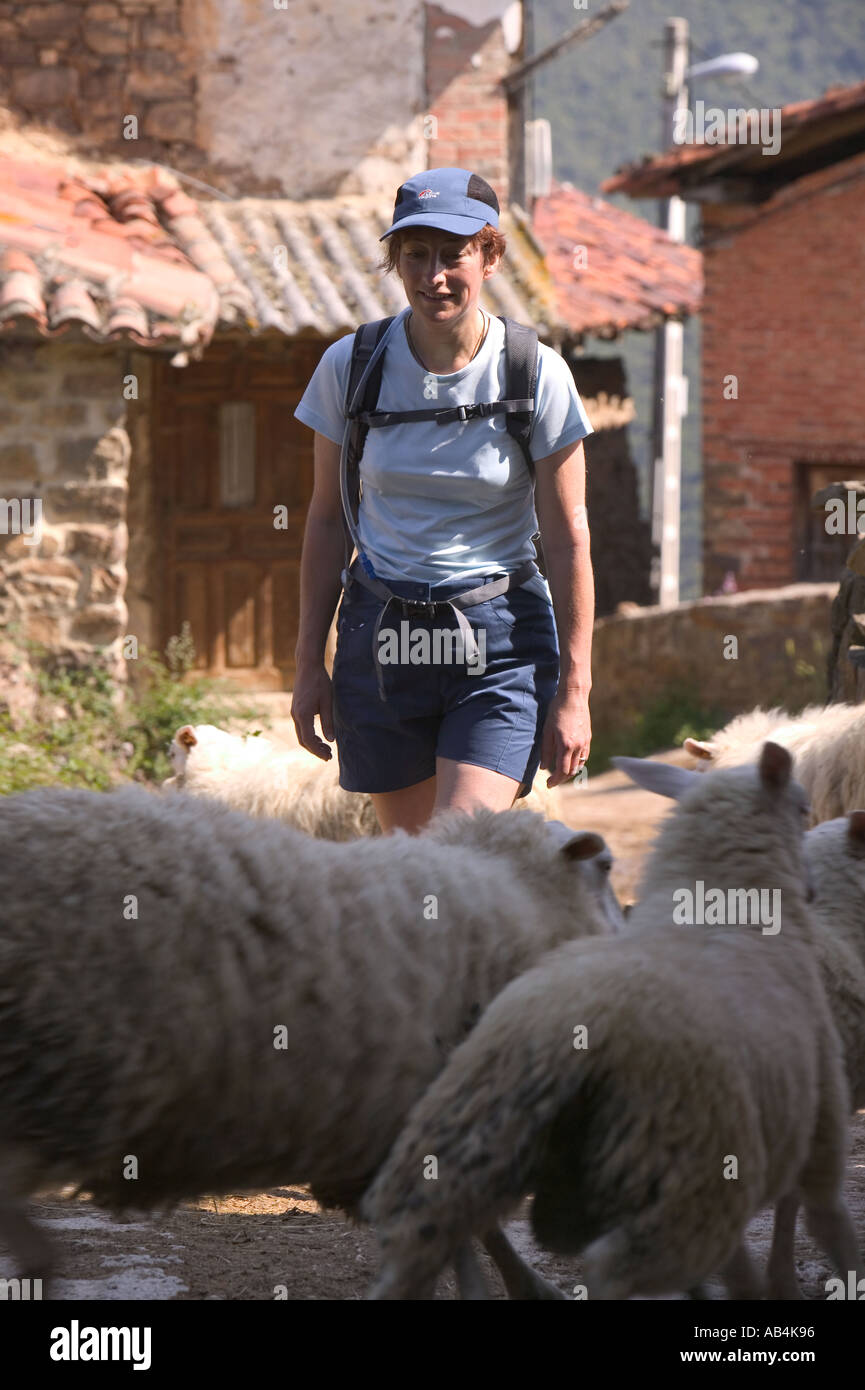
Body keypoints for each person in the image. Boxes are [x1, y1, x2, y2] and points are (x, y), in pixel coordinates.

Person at [292, 166, 595, 834]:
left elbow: (570, 536)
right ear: (394, 261)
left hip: (499, 637)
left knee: (462, 849)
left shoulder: (535, 373)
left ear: (488, 254)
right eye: (415, 255)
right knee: (410, 864)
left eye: (452, 254)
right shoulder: (350, 367)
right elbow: (322, 521)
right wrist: (308, 665)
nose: (433, 277)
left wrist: (575, 691)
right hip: (381, 633)